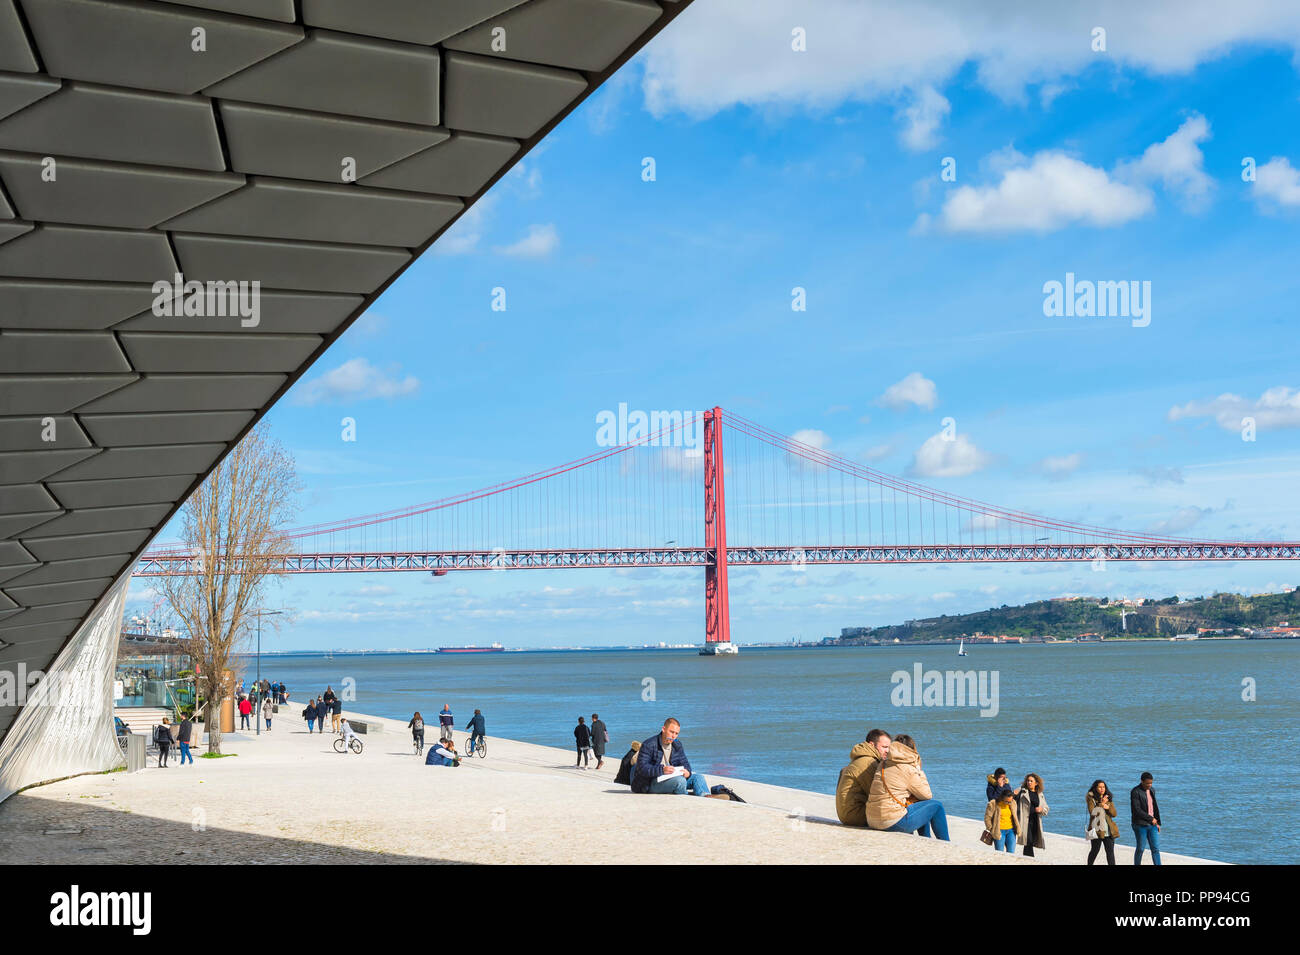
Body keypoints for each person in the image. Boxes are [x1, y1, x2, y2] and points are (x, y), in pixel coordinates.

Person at [866, 733, 950, 840]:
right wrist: (919, 771)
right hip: (890, 822)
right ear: (911, 751)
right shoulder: (907, 768)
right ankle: (945, 842)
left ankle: (926, 839)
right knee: (937, 806)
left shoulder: (883, 764)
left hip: (872, 819)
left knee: (920, 804)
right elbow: (927, 795)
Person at [631, 718, 711, 796]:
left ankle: (705, 796)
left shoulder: (677, 744)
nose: (673, 736)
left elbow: (685, 763)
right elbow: (642, 768)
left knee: (698, 778)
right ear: (663, 729)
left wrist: (688, 772)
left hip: (672, 778)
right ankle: (685, 795)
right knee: (680, 781)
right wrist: (661, 770)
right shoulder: (649, 744)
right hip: (651, 782)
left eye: (676, 733)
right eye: (671, 732)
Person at [835, 728, 890, 827]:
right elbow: (877, 794)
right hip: (855, 815)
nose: (888, 751)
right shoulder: (868, 763)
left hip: (847, 814)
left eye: (889, 748)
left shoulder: (862, 758)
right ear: (872, 745)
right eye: (884, 747)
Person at [1130, 772, 1162, 865]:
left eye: (1151, 783)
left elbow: (1154, 807)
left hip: (1152, 825)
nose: (1149, 785)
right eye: (1147, 783)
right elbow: (1137, 810)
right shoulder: (1135, 791)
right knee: (1140, 849)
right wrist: (1150, 819)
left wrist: (1157, 822)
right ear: (1142, 781)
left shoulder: (1152, 790)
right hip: (1140, 825)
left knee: (1155, 848)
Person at [1086, 779, 1118, 866]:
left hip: (1109, 830)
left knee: (1110, 853)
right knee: (1094, 851)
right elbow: (1092, 812)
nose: (1102, 789)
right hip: (1097, 829)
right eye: (1100, 787)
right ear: (1095, 788)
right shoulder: (1091, 798)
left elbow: (1114, 814)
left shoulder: (1107, 797)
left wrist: (1107, 807)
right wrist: (1101, 804)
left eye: (1103, 787)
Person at [1017, 773, 1048, 857]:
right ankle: (1030, 859)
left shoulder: (1040, 794)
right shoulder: (1022, 792)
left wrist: (1041, 809)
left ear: (1036, 783)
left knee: (1031, 841)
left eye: (1031, 781)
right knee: (1028, 841)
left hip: (1035, 821)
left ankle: (1027, 859)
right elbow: (1013, 801)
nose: (1029, 782)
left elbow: (1046, 808)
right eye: (1028, 781)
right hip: (1025, 820)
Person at [984, 785, 1020, 853]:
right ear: (1002, 798)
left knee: (1011, 852)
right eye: (1007, 801)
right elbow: (987, 818)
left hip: (1011, 831)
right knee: (1000, 853)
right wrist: (991, 829)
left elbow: (1015, 816)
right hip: (999, 831)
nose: (1008, 803)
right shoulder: (993, 804)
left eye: (1010, 801)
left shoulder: (1013, 803)